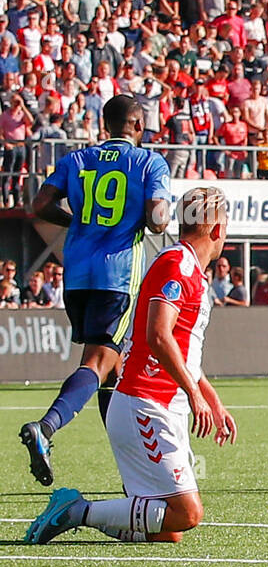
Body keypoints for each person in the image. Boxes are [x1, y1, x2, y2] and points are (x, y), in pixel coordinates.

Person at [25, 187, 237, 546]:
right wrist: (192, 394)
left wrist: (211, 400)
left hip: (159, 409)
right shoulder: (177, 264)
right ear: (216, 229)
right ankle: (75, 510)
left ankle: (85, 512)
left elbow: (185, 352)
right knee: (187, 514)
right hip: (146, 405)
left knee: (168, 531)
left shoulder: (193, 272)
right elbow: (158, 335)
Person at [22, 95, 171, 487]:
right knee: (99, 363)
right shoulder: (148, 161)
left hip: (77, 275)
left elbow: (40, 204)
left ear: (106, 125)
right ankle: (46, 427)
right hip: (116, 276)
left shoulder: (76, 159)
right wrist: (151, 218)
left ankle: (131, 473)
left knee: (115, 372)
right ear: (138, 126)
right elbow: (158, 218)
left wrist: (74, 222)